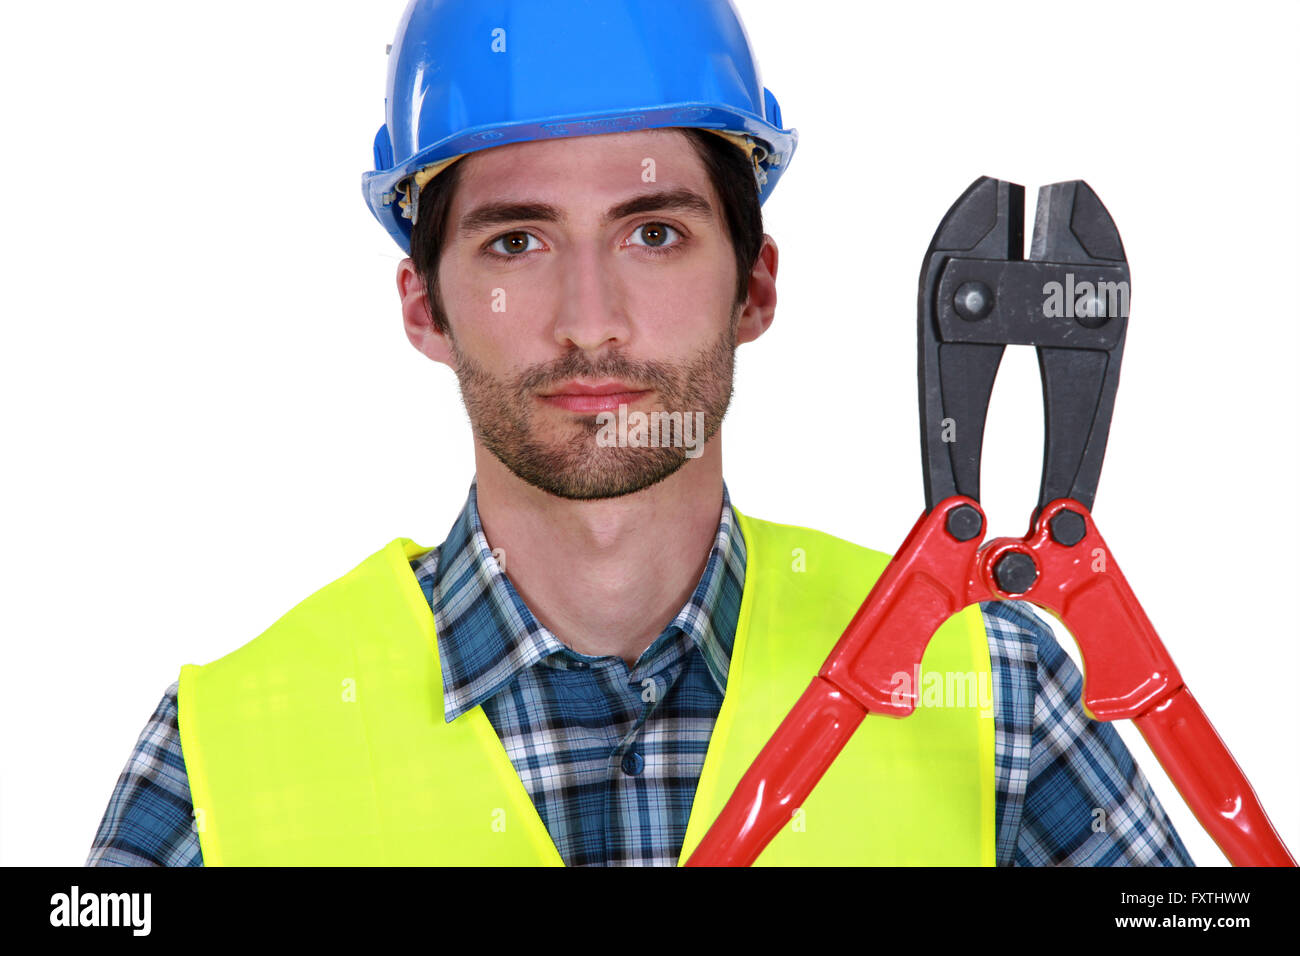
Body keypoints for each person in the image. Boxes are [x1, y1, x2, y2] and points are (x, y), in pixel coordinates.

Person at [86, 0, 1193, 866]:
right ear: (424, 305)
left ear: (754, 286)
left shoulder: (995, 692)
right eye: (516, 242)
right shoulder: (221, 752)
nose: (591, 321)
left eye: (653, 231)